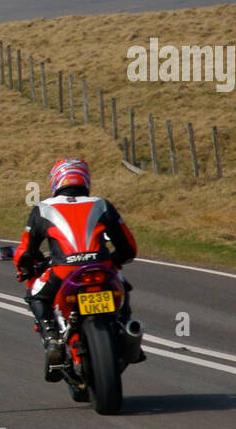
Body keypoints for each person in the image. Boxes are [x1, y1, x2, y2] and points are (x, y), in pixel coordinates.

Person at [13, 157, 142, 381]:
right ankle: (125, 327)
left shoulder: (43, 208)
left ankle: (52, 338)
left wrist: (23, 267)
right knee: (122, 283)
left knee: (35, 295)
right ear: (85, 180)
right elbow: (129, 247)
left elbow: (25, 252)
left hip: (64, 271)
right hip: (101, 267)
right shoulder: (101, 204)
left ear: (56, 181)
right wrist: (114, 260)